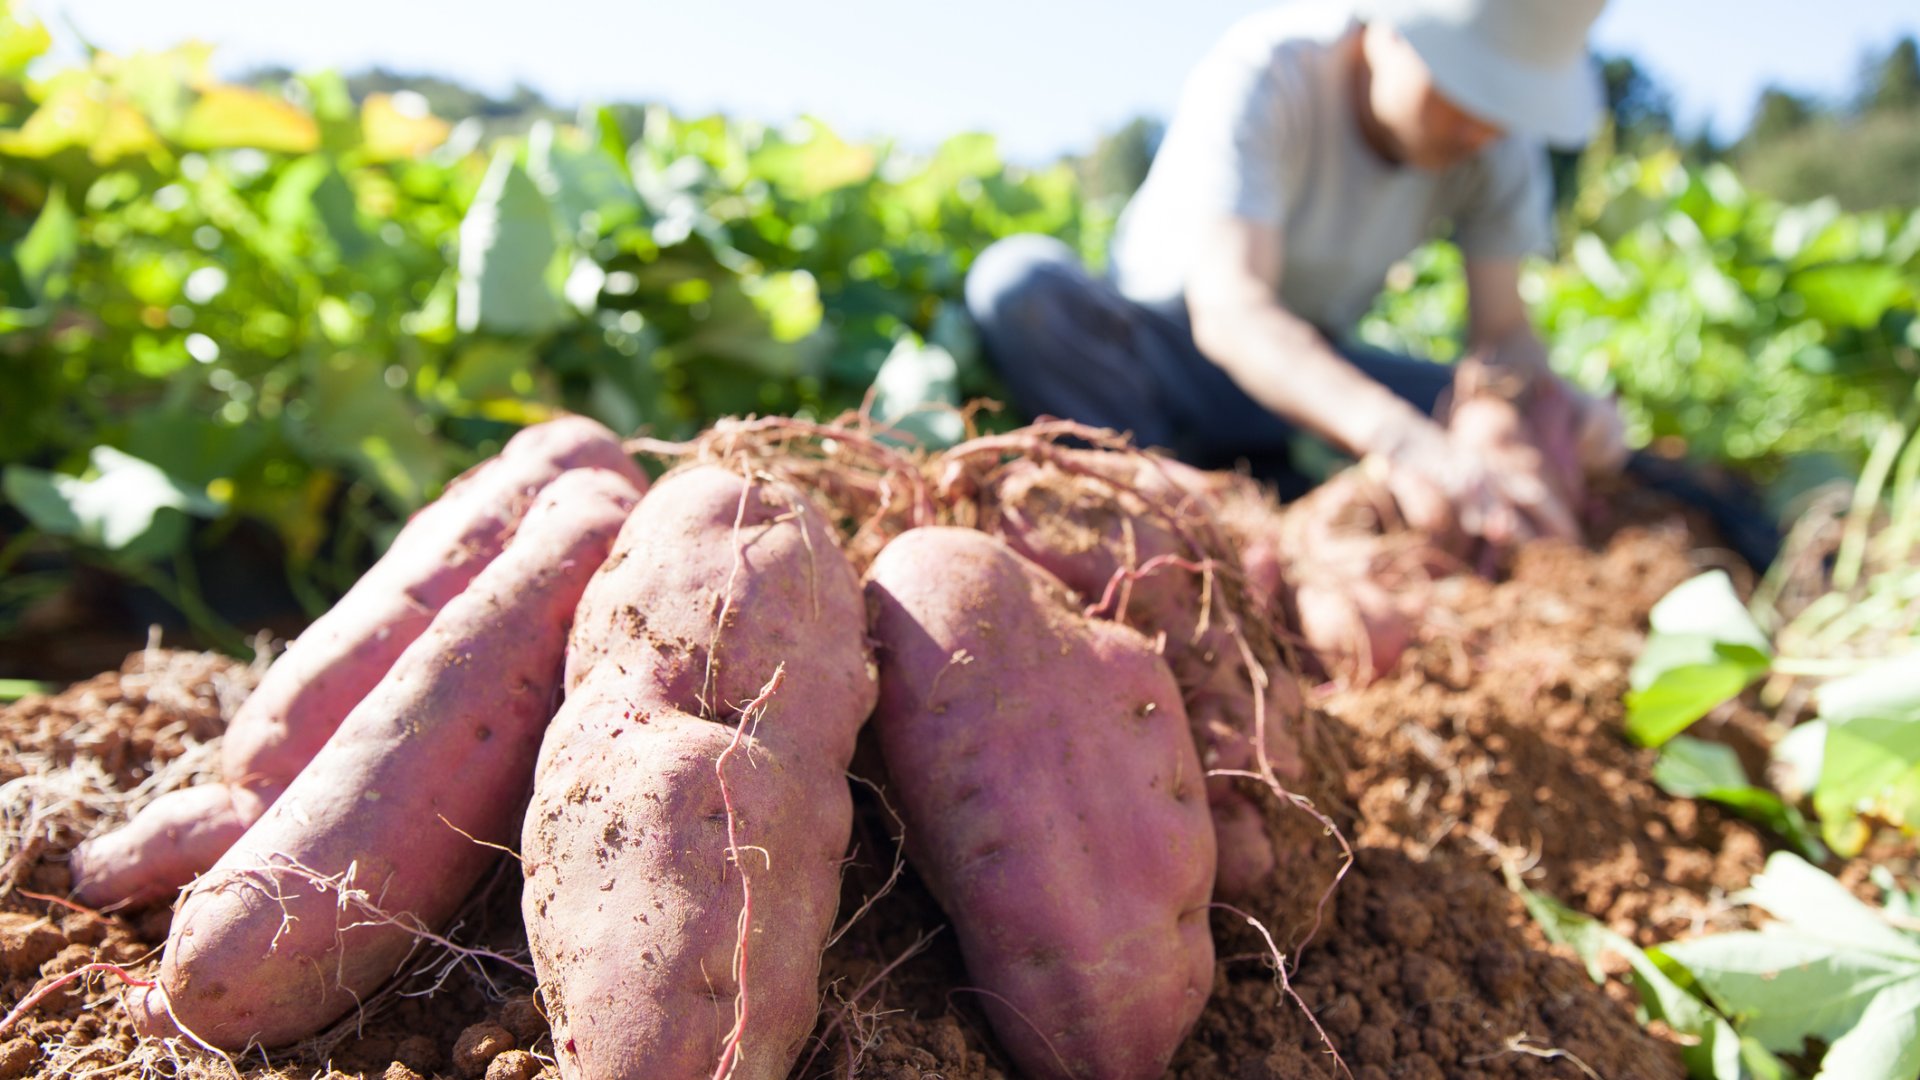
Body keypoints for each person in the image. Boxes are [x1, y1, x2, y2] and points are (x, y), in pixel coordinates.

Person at [966, 0, 1626, 544]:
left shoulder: (1497, 148)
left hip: (1312, 375)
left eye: (1502, 105)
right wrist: (1404, 440)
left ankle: (1281, 490)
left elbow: (1504, 333)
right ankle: (1172, 494)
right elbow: (1230, 312)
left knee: (1498, 408)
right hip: (1159, 355)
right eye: (1462, 90)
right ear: (1389, 27)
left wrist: (1547, 409)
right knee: (1019, 286)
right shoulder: (1271, 71)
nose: (1479, 126)